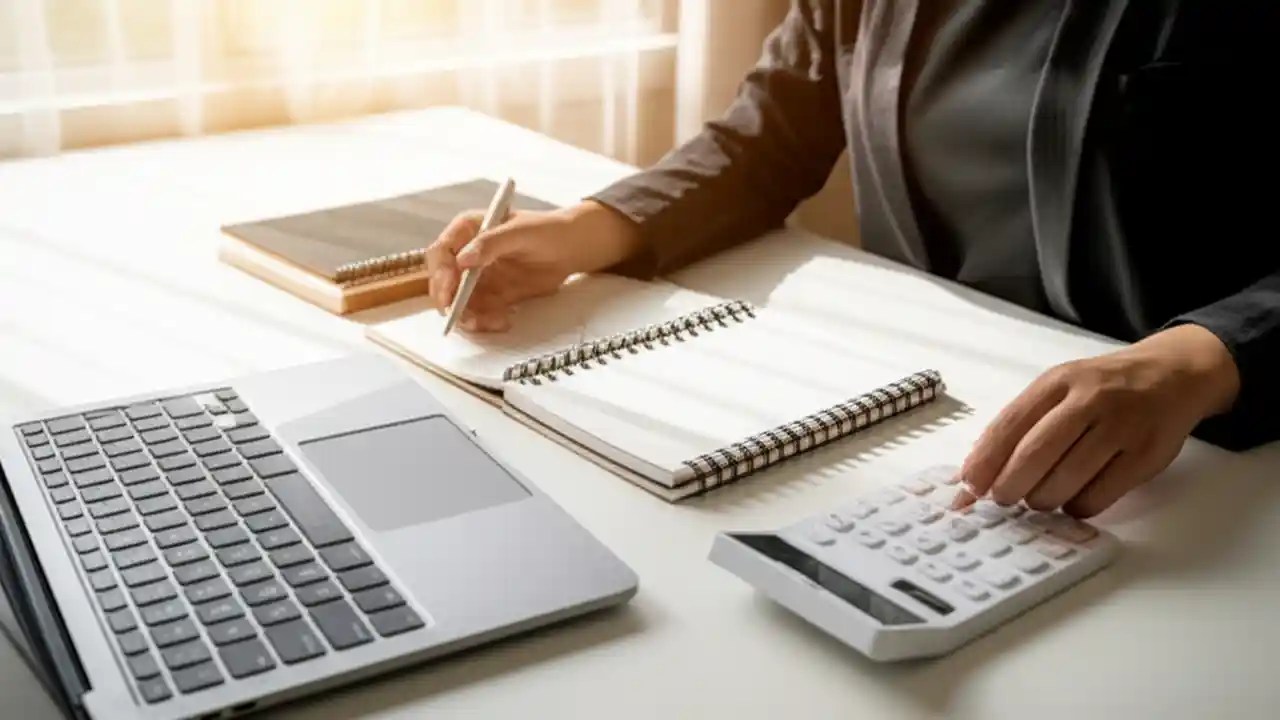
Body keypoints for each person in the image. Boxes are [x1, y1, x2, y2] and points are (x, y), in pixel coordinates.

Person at [424, 1, 1279, 518]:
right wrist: (590, 228)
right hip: (938, 416)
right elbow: (771, 134)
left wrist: (1199, 359)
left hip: (1206, 454)